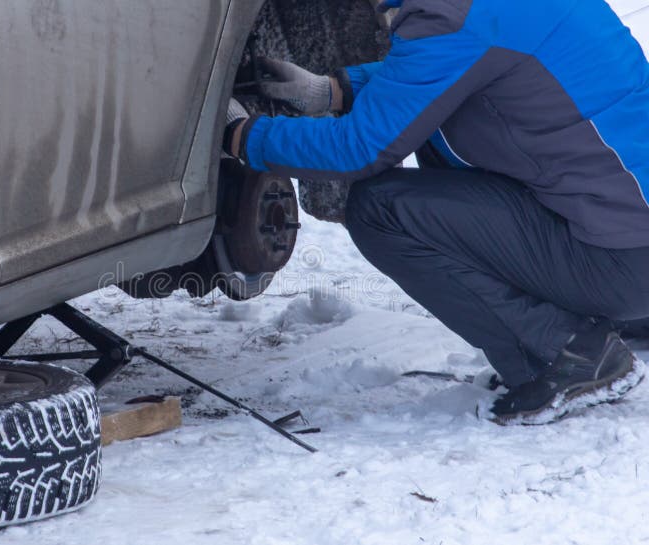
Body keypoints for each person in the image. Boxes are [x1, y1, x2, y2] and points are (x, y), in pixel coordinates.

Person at [223, 0, 649, 423]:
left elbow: (357, 148)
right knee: (430, 141)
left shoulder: (451, 16)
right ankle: (570, 334)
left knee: (382, 211)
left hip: (616, 259)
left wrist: (241, 136)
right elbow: (459, 67)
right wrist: (334, 91)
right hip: (621, 235)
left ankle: (563, 352)